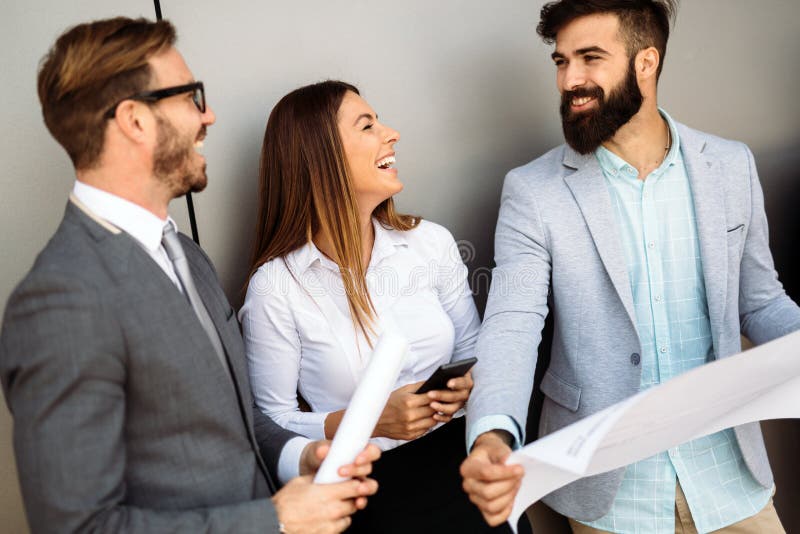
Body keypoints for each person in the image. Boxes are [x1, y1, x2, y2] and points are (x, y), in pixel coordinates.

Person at [0, 17, 380, 534]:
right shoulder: (60, 300)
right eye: (190, 98)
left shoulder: (186, 254)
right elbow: (78, 526)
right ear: (134, 120)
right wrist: (275, 521)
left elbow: (235, 422)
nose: (208, 116)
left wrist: (301, 456)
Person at [460, 1, 800, 533]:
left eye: (590, 58)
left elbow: (760, 302)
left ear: (646, 62)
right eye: (560, 61)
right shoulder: (532, 190)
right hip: (612, 494)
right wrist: (491, 435)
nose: (570, 79)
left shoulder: (730, 166)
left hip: (729, 477)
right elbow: (512, 323)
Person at [240, 80, 515, 533]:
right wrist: (367, 421)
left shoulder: (430, 242)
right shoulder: (276, 287)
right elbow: (272, 424)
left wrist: (465, 386)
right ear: (320, 156)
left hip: (466, 467)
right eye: (367, 125)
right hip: (372, 495)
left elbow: (475, 350)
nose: (392, 134)